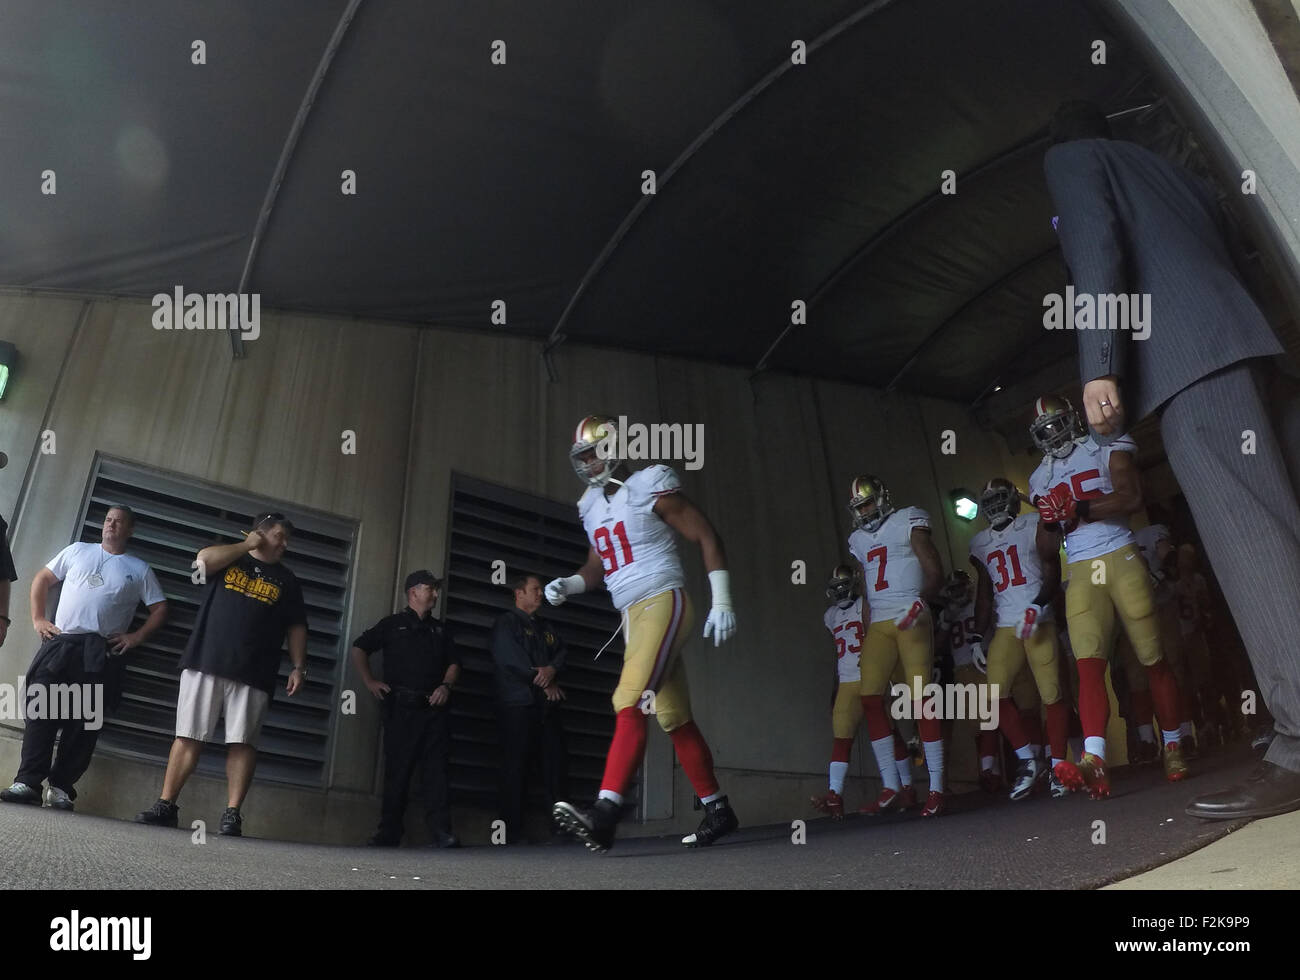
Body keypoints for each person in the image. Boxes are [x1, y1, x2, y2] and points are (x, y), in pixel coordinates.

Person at [1043, 99, 1300, 818]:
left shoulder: (1070, 159)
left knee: (1254, 543)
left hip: (1189, 365)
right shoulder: (1169, 173)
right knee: (1284, 526)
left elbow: (1096, 248)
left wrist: (1099, 365)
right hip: (1246, 346)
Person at [547, 415, 739, 853]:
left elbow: (706, 535)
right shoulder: (590, 505)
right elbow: (598, 566)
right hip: (632, 615)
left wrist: (722, 599)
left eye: (595, 451)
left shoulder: (649, 484)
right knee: (672, 716)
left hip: (662, 600)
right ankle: (718, 809)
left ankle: (605, 812)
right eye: (583, 456)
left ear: (616, 447)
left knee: (628, 699)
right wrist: (571, 584)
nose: (590, 462)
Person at [1028, 396, 1187, 798]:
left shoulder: (1106, 444)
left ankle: (1172, 742)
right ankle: (1095, 760)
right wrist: (1049, 521)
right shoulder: (1039, 478)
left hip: (1120, 553)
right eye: (1044, 430)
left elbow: (1131, 498)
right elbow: (1046, 550)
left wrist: (1080, 507)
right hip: (1081, 568)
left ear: (1073, 420)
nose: (1053, 435)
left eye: (1057, 424)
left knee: (1152, 657)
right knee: (1087, 666)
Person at [135, 512, 307, 836]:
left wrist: (299, 666)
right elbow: (201, 562)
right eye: (279, 535)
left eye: (286, 539)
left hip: (256, 671)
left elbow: (297, 626)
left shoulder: (288, 580)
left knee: (243, 742)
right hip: (206, 661)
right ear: (261, 533)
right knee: (188, 736)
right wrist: (245, 545)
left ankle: (232, 814)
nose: (284, 544)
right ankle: (166, 805)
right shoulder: (229, 558)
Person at [1, 506, 167, 810]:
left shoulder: (138, 568)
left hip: (100, 653)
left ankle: (61, 788)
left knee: (84, 723)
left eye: (119, 522)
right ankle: (27, 782)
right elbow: (41, 579)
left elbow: (160, 609)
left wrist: (136, 637)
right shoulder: (78, 550)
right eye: (108, 519)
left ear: (130, 530)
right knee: (41, 714)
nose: (112, 525)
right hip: (60, 644)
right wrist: (39, 619)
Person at [845, 474, 947, 816]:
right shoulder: (857, 540)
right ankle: (891, 784)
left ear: (884, 497)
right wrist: (863, 627)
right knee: (870, 698)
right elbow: (865, 589)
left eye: (869, 502)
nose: (866, 511)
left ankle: (936, 787)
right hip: (880, 623)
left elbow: (935, 571)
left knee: (921, 700)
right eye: (860, 506)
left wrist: (923, 600)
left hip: (910, 613)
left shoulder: (908, 519)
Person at [968, 481, 1071, 800]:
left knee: (1052, 695)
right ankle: (1029, 760)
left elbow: (1051, 569)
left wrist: (1039, 603)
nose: (995, 506)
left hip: (1037, 617)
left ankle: (1058, 766)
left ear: (1012, 501)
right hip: (1005, 625)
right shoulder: (980, 542)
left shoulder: (1032, 523)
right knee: (993, 698)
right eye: (989, 501)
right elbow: (985, 591)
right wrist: (975, 634)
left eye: (1001, 499)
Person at [351, 569, 461, 848]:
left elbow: (454, 662)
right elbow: (359, 648)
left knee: (436, 772)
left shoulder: (441, 630)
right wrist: (370, 681)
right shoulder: (392, 624)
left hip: (434, 709)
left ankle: (441, 832)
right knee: (397, 772)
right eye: (431, 589)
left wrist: (445, 686)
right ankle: (389, 832)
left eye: (436, 589)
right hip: (401, 708)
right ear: (414, 592)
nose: (435, 594)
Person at [810, 564, 915, 818]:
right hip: (846, 680)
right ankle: (835, 795)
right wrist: (834, 688)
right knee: (842, 737)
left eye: (844, 586)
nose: (840, 592)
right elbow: (837, 654)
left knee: (890, 733)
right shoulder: (831, 616)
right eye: (835, 588)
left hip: (872, 675)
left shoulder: (867, 605)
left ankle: (906, 788)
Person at [491, 571, 568, 844]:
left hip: (546, 709)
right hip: (518, 705)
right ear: (519, 593)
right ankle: (511, 831)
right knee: (515, 767)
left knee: (554, 766)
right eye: (535, 589)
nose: (540, 593)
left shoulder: (546, 626)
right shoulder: (506, 623)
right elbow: (510, 661)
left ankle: (560, 827)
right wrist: (544, 682)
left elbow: (561, 652)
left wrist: (552, 669)